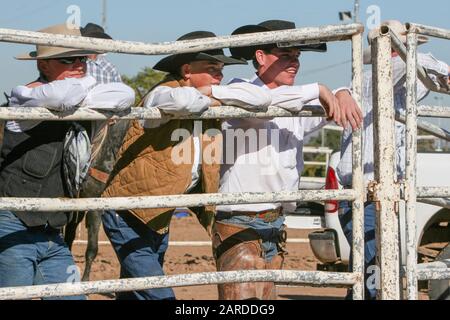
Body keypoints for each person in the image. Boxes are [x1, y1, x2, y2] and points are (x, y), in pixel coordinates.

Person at [101, 30, 272, 300]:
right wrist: (214, 98)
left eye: (221, 69)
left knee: (136, 290)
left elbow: (261, 98)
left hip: (157, 212)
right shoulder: (162, 93)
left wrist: (212, 92)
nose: (220, 74)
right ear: (186, 70)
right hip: (128, 209)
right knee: (158, 292)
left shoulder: (207, 97)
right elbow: (182, 101)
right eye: (212, 68)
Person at [212, 19, 363, 300]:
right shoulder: (239, 88)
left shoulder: (298, 102)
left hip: (274, 221)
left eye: (296, 56)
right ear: (260, 57)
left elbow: (327, 102)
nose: (294, 63)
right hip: (240, 220)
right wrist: (319, 88)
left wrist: (342, 91)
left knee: (264, 300)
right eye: (285, 56)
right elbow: (264, 103)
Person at [0, 23, 135, 299]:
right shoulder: (23, 96)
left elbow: (125, 95)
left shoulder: (70, 97)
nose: (79, 65)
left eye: (83, 59)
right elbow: (61, 95)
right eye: (68, 59)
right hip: (13, 224)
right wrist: (89, 85)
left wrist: (81, 87)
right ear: (44, 64)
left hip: (51, 230)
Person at [336, 20, 450, 299]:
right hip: (365, 193)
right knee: (375, 272)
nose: (401, 56)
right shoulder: (375, 77)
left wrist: (441, 78)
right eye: (398, 49)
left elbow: (428, 78)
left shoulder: (400, 82)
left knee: (375, 272)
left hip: (380, 193)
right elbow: (419, 65)